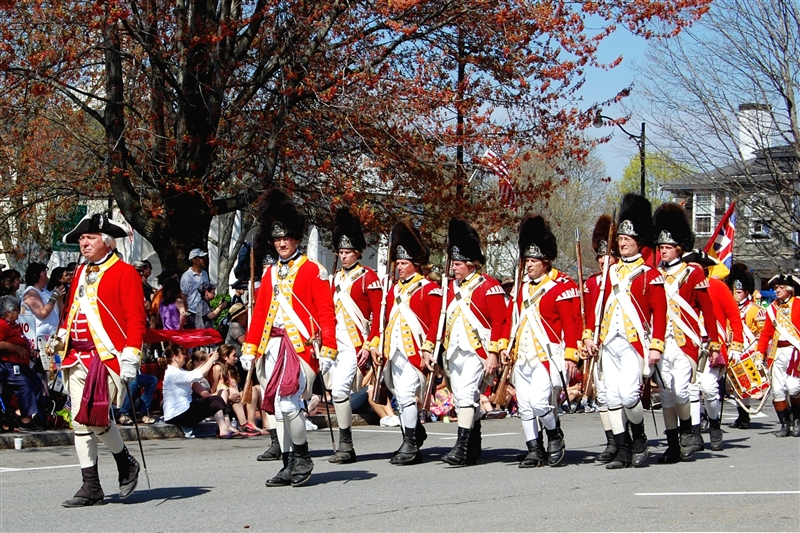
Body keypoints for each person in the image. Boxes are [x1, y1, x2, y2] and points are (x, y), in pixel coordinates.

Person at [47, 213, 146, 507]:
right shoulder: (80, 271)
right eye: (81, 238)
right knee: (81, 421)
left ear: (106, 242)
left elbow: (134, 318)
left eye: (89, 237)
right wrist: (61, 335)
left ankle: (123, 462)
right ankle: (92, 484)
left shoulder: (125, 272)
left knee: (95, 418)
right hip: (75, 356)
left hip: (104, 356)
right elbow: (73, 309)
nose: (83, 242)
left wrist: (131, 353)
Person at [241, 188, 337, 487]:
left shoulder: (312, 270)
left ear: (296, 239)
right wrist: (250, 347)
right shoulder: (269, 274)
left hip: (299, 346)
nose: (282, 243)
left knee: (288, 404)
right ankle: (288, 463)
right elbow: (260, 315)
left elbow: (326, 313)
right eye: (277, 239)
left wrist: (329, 350)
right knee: (278, 410)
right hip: (272, 347)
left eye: (287, 238)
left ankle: (303, 456)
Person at [583, 194, 666, 469]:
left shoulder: (650, 275)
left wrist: (656, 346)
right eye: (620, 239)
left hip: (634, 342)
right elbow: (594, 310)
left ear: (638, 242)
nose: (622, 242)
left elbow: (660, 314)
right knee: (613, 395)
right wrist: (588, 337)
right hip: (608, 342)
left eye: (627, 239)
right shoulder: (608, 274)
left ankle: (639, 437)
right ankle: (622, 448)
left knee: (630, 395)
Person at [500, 214, 580, 468]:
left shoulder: (561, 286)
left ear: (546, 261)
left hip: (547, 355)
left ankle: (554, 435)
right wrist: (504, 345)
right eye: (527, 260)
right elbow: (510, 320)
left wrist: (571, 356)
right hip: (522, 355)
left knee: (539, 402)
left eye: (534, 260)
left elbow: (571, 324)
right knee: (524, 406)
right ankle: (534, 449)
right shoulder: (521, 287)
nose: (529, 265)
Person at [652, 204, 721, 462]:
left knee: (681, 390)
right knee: (667, 395)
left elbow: (708, 309)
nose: (663, 251)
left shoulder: (693, 273)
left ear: (678, 248)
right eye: (661, 247)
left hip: (685, 341)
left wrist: (713, 340)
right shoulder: (655, 275)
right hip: (661, 341)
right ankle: (672, 444)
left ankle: (687, 431)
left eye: (667, 248)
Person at [370, 220, 441, 466]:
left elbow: (435, 324)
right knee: (401, 395)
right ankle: (411, 436)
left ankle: (410, 443)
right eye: (397, 263)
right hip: (393, 353)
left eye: (403, 263)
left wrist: (429, 348)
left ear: (415, 265)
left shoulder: (429, 289)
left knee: (408, 395)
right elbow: (382, 322)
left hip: (415, 352)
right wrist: (375, 345)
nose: (399, 267)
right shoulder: (392, 291)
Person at [439, 218, 506, 466]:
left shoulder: (489, 287)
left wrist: (494, 353)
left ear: (470, 264)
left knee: (467, 394)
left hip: (478, 351)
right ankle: (474, 445)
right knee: (463, 397)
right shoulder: (448, 288)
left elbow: (500, 322)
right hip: (454, 352)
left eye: (457, 264)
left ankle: (461, 447)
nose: (453, 268)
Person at [326, 207, 382, 464]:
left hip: (354, 343)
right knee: (333, 391)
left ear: (358, 252)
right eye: (341, 251)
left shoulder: (368, 278)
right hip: (333, 343)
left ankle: (345, 443)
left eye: (347, 251)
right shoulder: (334, 278)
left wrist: (370, 344)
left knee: (340, 390)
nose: (344, 255)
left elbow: (379, 315)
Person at [684, 249, 743, 452]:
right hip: (689, 343)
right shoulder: (681, 285)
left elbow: (733, 314)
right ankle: (695, 432)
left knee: (709, 388)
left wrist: (736, 343)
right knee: (691, 390)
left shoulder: (717, 286)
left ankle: (715, 426)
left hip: (712, 345)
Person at [581, 214, 619, 463]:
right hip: (599, 344)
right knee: (603, 394)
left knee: (621, 394)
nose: (603, 260)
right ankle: (612, 440)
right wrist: (585, 339)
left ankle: (627, 436)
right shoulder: (592, 283)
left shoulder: (623, 280)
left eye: (607, 256)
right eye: (600, 256)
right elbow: (584, 315)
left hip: (621, 342)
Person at [754, 273, 800, 437]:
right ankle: (785, 424)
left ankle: (797, 420)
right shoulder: (772, 308)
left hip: (795, 351)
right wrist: (760, 353)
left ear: (790, 289)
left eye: (780, 288)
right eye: (775, 288)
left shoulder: (799, 304)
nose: (777, 291)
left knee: (794, 387)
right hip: (776, 352)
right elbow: (766, 333)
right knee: (778, 391)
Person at [162, 344, 241, 437]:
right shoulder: (172, 374)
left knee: (216, 399)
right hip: (177, 415)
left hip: (183, 411)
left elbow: (193, 373)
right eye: (183, 354)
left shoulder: (179, 371)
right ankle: (223, 428)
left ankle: (225, 427)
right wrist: (211, 360)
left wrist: (208, 359)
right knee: (214, 399)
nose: (185, 356)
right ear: (175, 357)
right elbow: (196, 375)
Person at [0, 295, 45, 432]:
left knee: (37, 382)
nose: (18, 313)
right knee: (24, 385)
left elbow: (21, 341)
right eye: (16, 310)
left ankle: (25, 413)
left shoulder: (14, 326)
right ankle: (26, 419)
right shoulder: (2, 324)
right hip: (7, 364)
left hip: (21, 364)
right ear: (8, 312)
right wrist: (16, 348)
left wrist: (28, 350)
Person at [727, 262, 764, 429]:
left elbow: (761, 332)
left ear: (747, 292)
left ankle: (744, 417)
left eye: (739, 292)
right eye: (734, 291)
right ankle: (741, 416)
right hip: (734, 349)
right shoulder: (731, 309)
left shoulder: (755, 309)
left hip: (749, 350)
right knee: (736, 385)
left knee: (746, 384)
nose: (736, 295)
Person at [22, 262, 63, 338]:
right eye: (44, 275)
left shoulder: (47, 292)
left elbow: (61, 312)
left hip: (53, 335)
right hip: (39, 338)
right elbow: (42, 313)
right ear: (35, 276)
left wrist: (59, 300)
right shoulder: (30, 293)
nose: (47, 278)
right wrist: (55, 296)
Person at [180, 249, 209, 328]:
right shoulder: (186, 276)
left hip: (204, 312)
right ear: (194, 260)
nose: (204, 260)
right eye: (201, 258)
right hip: (192, 313)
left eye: (204, 258)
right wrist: (186, 315)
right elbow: (184, 297)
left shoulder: (205, 274)